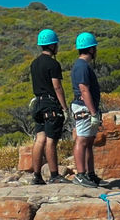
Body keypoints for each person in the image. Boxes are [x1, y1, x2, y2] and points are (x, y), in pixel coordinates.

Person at [28, 30, 71, 185]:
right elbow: (57, 87)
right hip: (50, 104)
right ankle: (54, 175)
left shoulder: (34, 63)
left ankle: (37, 176)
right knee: (51, 140)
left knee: (40, 139)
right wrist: (65, 108)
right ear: (52, 45)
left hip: (37, 104)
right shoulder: (53, 64)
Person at [70, 32, 103, 187]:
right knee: (82, 140)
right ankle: (81, 174)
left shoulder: (81, 66)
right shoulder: (82, 66)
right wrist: (93, 112)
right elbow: (84, 90)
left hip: (87, 107)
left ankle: (90, 174)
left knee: (88, 141)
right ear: (90, 49)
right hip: (84, 108)